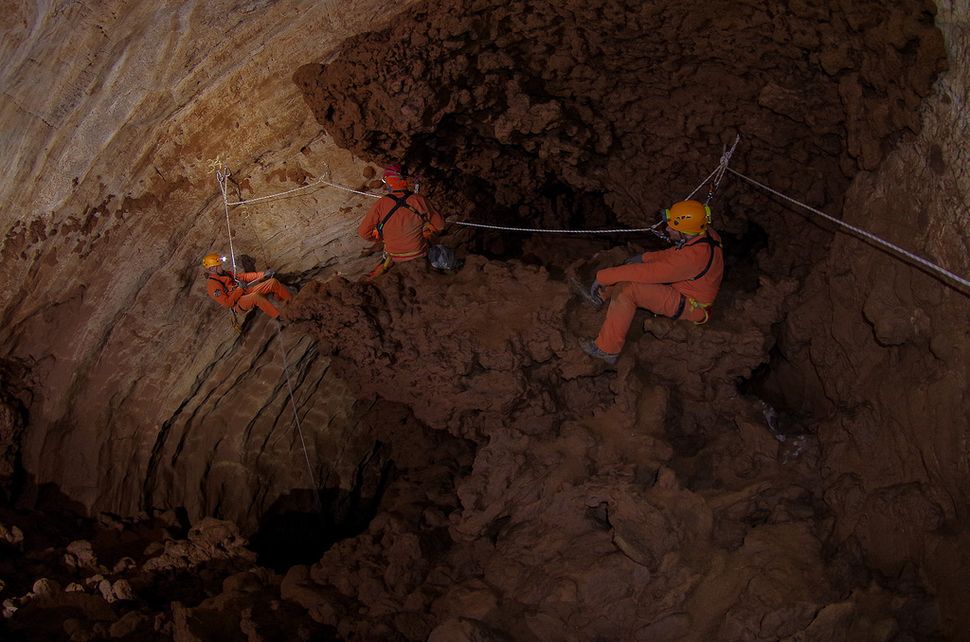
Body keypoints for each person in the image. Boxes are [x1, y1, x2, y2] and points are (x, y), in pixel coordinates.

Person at [580, 199, 724, 364]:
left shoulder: (693, 258)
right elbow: (676, 254)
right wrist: (645, 257)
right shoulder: (705, 234)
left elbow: (649, 273)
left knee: (629, 289)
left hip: (692, 306)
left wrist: (603, 276)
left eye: (673, 228)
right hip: (683, 288)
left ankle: (607, 350)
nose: (668, 228)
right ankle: (601, 296)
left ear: (685, 233)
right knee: (626, 277)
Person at [358, 164, 454, 277]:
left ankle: (385, 265)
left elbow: (363, 232)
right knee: (433, 240)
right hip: (418, 252)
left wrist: (381, 239)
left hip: (394, 255)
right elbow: (440, 225)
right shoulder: (419, 200)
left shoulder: (381, 204)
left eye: (385, 181)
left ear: (389, 181)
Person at [202, 253, 293, 320]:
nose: (221, 267)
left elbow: (244, 277)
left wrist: (263, 274)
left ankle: (291, 301)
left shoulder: (225, 273)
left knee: (272, 282)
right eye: (219, 266)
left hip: (245, 292)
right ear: (212, 268)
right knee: (255, 297)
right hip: (238, 303)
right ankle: (279, 316)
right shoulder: (213, 285)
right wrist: (239, 289)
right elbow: (227, 303)